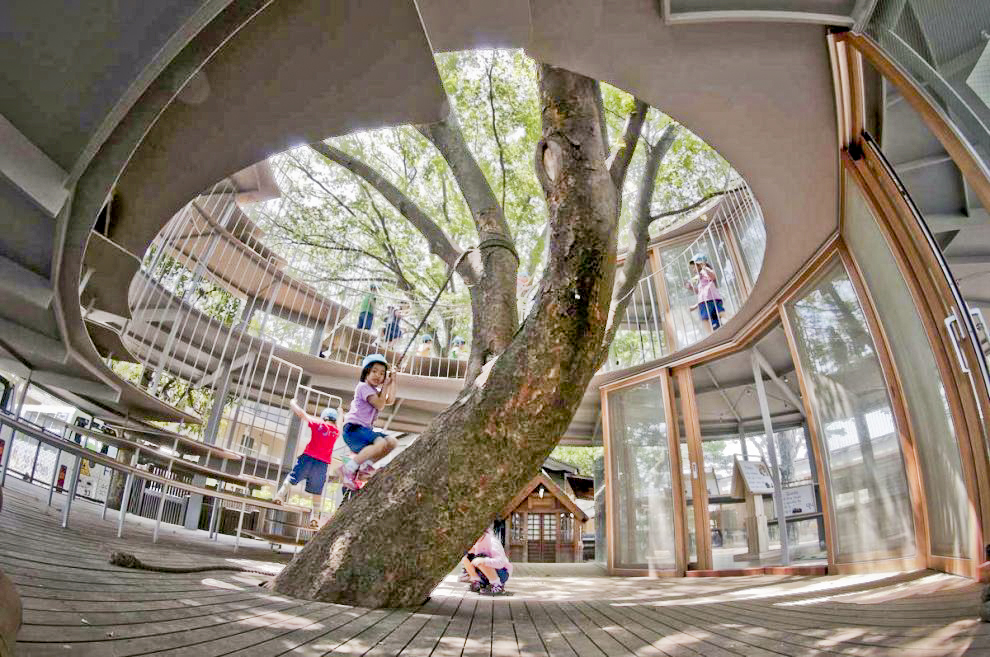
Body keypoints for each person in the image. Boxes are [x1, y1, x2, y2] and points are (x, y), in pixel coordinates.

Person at [273, 401, 340, 528]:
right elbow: (340, 426)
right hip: (322, 464)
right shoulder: (336, 432)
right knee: (317, 491)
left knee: (292, 478)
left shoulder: (318, 424)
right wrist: (341, 413)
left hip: (308, 458)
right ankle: (315, 516)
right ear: (335, 420)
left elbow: (302, 414)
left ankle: (279, 496)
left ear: (324, 417)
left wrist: (293, 403)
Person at [339, 354, 399, 490]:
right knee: (381, 443)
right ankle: (347, 469)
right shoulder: (363, 387)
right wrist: (385, 386)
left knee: (392, 442)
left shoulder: (375, 391)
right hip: (353, 429)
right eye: (374, 371)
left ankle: (364, 468)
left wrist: (393, 381)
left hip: (364, 430)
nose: (378, 375)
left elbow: (390, 400)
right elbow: (380, 405)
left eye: (382, 373)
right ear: (366, 372)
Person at [461, 527, 512, 595]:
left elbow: (501, 562)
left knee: (480, 558)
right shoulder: (475, 543)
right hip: (485, 574)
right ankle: (477, 582)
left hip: (502, 573)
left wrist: (484, 560)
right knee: (466, 557)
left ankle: (497, 585)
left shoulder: (492, 541)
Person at [686, 254, 724, 330]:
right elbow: (701, 293)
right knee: (710, 321)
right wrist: (691, 288)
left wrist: (705, 267)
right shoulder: (700, 278)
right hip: (705, 303)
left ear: (700, 265)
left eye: (694, 267)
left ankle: (720, 326)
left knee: (715, 319)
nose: (693, 269)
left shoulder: (705, 272)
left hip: (711, 301)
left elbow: (713, 276)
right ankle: (715, 329)